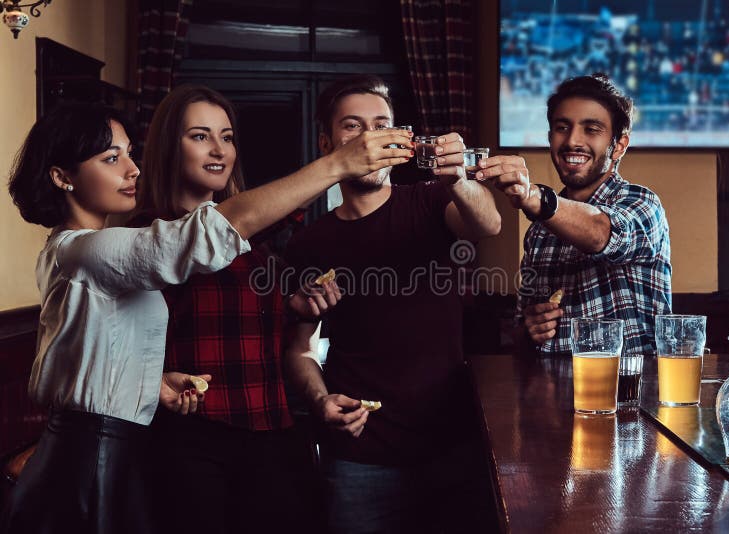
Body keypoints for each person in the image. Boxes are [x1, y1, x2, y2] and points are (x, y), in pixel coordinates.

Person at [1, 101, 412, 534]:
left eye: (127, 153)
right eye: (111, 158)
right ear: (62, 177)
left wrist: (153, 384)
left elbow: (87, 357)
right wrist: (336, 164)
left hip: (103, 451)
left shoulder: (87, 251)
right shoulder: (85, 250)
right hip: (90, 463)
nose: (132, 169)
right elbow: (206, 234)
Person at [284, 75, 503, 534]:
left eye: (381, 124)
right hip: (361, 458)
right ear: (327, 142)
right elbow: (299, 348)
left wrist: (458, 178)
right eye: (352, 127)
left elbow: (488, 224)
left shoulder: (429, 200)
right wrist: (321, 400)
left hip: (453, 449)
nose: (369, 138)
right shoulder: (308, 242)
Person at [131, 85, 340, 533]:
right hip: (194, 436)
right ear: (170, 145)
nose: (218, 149)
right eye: (200, 136)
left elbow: (236, 318)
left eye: (226, 137)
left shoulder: (252, 246)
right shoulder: (146, 234)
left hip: (271, 429)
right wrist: (339, 163)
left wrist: (295, 308)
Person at [493, 73, 672, 356]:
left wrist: (535, 197)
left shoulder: (642, 203)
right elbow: (521, 330)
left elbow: (601, 233)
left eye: (591, 129)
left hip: (628, 394)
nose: (573, 141)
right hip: (550, 394)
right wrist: (530, 329)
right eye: (562, 127)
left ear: (619, 146)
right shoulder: (539, 231)